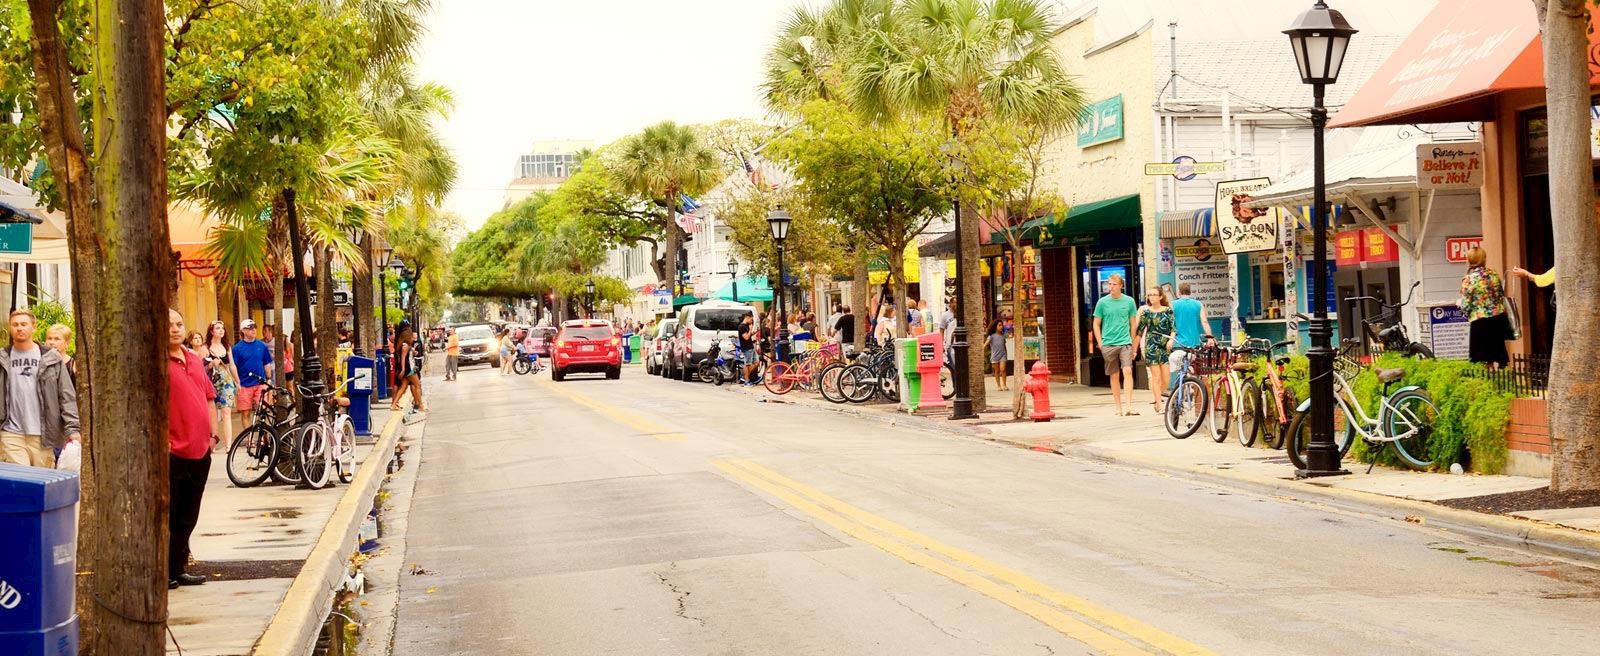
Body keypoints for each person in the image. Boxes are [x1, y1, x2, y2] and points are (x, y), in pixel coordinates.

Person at [165, 308, 215, 590]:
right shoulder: (156, 362)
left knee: (189, 514)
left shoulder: (194, 359)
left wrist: (213, 435)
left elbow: (208, 397)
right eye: (169, 324)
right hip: (174, 452)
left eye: (179, 323)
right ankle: (166, 571)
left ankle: (179, 567)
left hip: (200, 450)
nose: (175, 329)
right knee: (171, 514)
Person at [0, 309, 80, 468]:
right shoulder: (3, 358)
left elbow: (66, 395)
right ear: (10, 328)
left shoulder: (51, 357)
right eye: (15, 325)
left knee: (41, 484)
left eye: (24, 324)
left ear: (34, 327)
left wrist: (73, 429)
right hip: (11, 433)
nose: (19, 328)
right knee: (20, 482)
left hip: (43, 434)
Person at [1092, 273, 1139, 417]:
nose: (1110, 287)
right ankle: (1118, 407)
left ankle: (1129, 406)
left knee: (1128, 371)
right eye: (1109, 284)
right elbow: (1096, 323)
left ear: (1121, 286)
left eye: (1113, 284)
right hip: (1108, 343)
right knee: (1114, 375)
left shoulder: (1129, 301)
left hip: (1125, 342)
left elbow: (1133, 324)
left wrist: (1132, 342)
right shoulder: (1102, 302)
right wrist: (1100, 342)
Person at [1459, 247, 1511, 369]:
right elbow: (1500, 295)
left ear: (1469, 260)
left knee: (1482, 360)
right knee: (1496, 355)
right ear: (1484, 259)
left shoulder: (1469, 279)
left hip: (1480, 322)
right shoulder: (1493, 274)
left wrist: (1460, 305)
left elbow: (1466, 305)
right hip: (1497, 320)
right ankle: (1501, 380)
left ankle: (1488, 382)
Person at [1136, 286, 1175, 415]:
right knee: (1156, 377)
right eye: (1149, 295)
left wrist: (1171, 340)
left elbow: (1173, 328)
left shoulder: (1168, 311)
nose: (1151, 297)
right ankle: (1159, 404)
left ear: (1160, 297)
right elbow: (1140, 331)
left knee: (1166, 378)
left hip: (1164, 345)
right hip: (1151, 345)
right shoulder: (1146, 312)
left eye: (1154, 295)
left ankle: (1157, 396)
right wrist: (1134, 348)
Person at [1168, 283, 1214, 389]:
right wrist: (1210, 337)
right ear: (1190, 292)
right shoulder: (1198, 304)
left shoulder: (1172, 304)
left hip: (1178, 343)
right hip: (1194, 344)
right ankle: (1193, 391)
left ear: (1178, 293)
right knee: (1194, 369)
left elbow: (1171, 324)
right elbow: (1204, 321)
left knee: (1180, 369)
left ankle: (1177, 393)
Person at [231, 319, 273, 430]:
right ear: (243, 330)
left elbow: (266, 363)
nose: (253, 330)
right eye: (250, 328)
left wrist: (269, 379)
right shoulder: (237, 348)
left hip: (260, 383)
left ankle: (264, 436)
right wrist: (237, 382)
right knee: (246, 413)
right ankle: (248, 437)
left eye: (254, 327)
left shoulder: (262, 346)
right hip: (244, 385)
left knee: (263, 410)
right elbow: (233, 366)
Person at [204, 320, 239, 450]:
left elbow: (232, 365)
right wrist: (211, 364)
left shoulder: (227, 346)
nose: (221, 330)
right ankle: (212, 443)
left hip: (226, 381)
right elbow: (200, 367)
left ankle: (229, 445)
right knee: (211, 413)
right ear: (211, 331)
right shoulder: (205, 348)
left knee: (226, 412)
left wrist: (237, 381)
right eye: (217, 328)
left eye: (222, 328)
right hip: (211, 381)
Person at [988, 320, 1008, 391]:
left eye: (1002, 325)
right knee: (997, 371)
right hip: (995, 356)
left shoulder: (1003, 336)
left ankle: (1004, 385)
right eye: (999, 325)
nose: (1001, 327)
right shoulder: (991, 336)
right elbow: (986, 344)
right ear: (995, 326)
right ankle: (999, 385)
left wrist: (1006, 355)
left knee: (1003, 369)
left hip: (1003, 355)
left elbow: (1004, 346)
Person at [738, 314, 758, 385]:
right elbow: (746, 337)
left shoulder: (746, 326)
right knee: (747, 364)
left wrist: (753, 333)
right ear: (747, 317)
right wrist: (750, 329)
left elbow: (748, 336)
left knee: (756, 362)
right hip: (747, 348)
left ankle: (745, 376)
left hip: (750, 346)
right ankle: (746, 380)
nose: (751, 321)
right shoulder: (741, 327)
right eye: (751, 319)